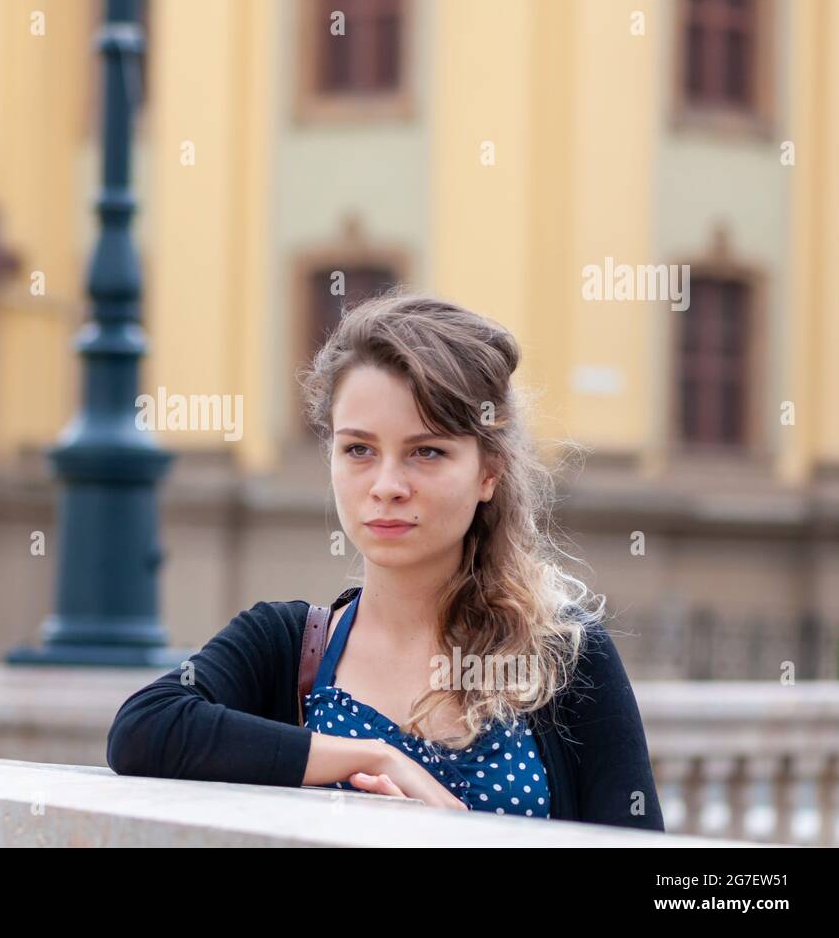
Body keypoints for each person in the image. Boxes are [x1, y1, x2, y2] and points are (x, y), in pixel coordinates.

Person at [107, 290, 664, 829]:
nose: (387, 485)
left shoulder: (564, 655)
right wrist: (370, 758)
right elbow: (142, 729)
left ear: (489, 472)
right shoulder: (284, 643)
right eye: (359, 449)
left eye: (427, 451)